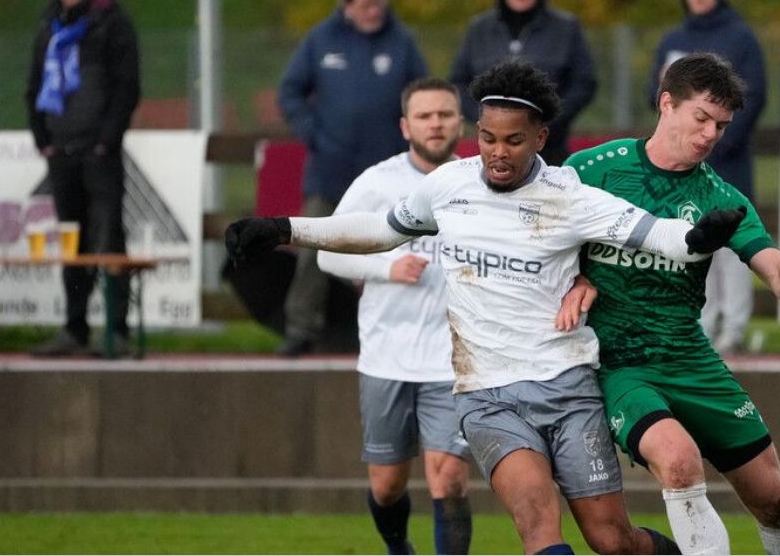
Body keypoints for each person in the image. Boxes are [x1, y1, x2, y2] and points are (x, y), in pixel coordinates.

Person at [226, 61, 750, 555]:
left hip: (568, 387)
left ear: (541, 138)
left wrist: (701, 236)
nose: (497, 153)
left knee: (611, 539)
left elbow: (659, 236)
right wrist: (284, 229)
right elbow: (380, 230)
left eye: (514, 141)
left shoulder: (570, 196)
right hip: (488, 396)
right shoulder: (449, 185)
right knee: (539, 526)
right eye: (488, 138)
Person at [567, 53, 780, 555]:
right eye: (701, 118)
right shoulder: (591, 170)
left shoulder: (720, 197)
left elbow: (773, 271)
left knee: (774, 498)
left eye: (722, 126)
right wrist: (574, 277)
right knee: (679, 460)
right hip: (619, 363)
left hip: (690, 358)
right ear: (667, 104)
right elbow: (541, 240)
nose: (710, 135)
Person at [316, 79, 471, 554]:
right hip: (387, 357)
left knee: (449, 478)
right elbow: (328, 254)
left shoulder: (478, 180)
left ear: (459, 123)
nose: (436, 123)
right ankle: (398, 546)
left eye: (445, 114)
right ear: (406, 126)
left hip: (455, 360)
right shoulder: (377, 183)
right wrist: (387, 266)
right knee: (387, 485)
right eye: (425, 116)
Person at [276, 0, 428, 357]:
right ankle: (301, 327)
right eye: (365, 5)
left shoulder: (401, 42)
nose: (374, 12)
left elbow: (423, 95)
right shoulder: (321, 40)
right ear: (347, 6)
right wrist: (314, 135)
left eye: (378, 3)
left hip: (388, 170)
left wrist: (408, 139)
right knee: (314, 246)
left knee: (396, 247)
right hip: (331, 167)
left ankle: (399, 330)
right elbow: (290, 91)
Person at [649, 0, 768, 355]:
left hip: (727, 161)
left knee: (731, 247)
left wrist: (716, 139)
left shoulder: (739, 37)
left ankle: (734, 326)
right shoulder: (672, 40)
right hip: (681, 167)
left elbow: (754, 96)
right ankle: (702, 324)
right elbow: (660, 95)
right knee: (691, 244)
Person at [26, 0, 140, 357]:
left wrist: (106, 140)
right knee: (71, 245)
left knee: (109, 240)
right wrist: (44, 141)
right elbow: (34, 86)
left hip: (99, 153)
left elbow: (127, 87)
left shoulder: (112, 24)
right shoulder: (49, 28)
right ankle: (74, 328)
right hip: (62, 153)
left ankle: (117, 330)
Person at [449, 0, 596, 166]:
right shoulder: (480, 29)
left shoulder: (565, 28)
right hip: (492, 154)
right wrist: (485, 118)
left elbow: (584, 82)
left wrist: (553, 117)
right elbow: (458, 82)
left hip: (551, 149)